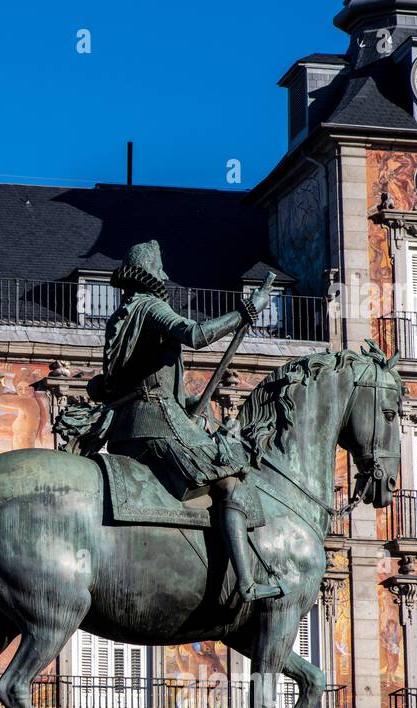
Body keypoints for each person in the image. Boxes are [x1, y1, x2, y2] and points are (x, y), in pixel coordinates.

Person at [94, 240, 281, 602]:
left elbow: (134, 382)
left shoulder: (122, 316)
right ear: (153, 278)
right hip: (155, 425)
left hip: (125, 431)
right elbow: (195, 336)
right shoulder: (151, 308)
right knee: (229, 480)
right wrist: (244, 312)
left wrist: (191, 401)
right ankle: (246, 583)